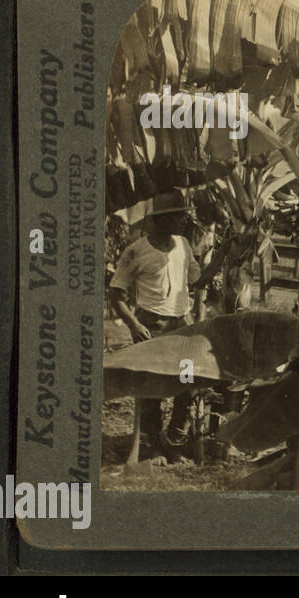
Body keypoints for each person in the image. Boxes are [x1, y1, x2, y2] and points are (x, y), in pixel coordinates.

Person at [108, 190, 201, 463]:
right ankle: (153, 447)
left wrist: (227, 252)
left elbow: (197, 280)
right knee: (152, 390)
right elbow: (116, 293)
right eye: (177, 217)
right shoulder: (137, 250)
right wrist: (134, 325)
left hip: (182, 327)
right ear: (161, 221)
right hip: (152, 327)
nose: (183, 222)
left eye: (183, 216)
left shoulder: (183, 245)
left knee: (189, 383)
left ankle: (174, 441)